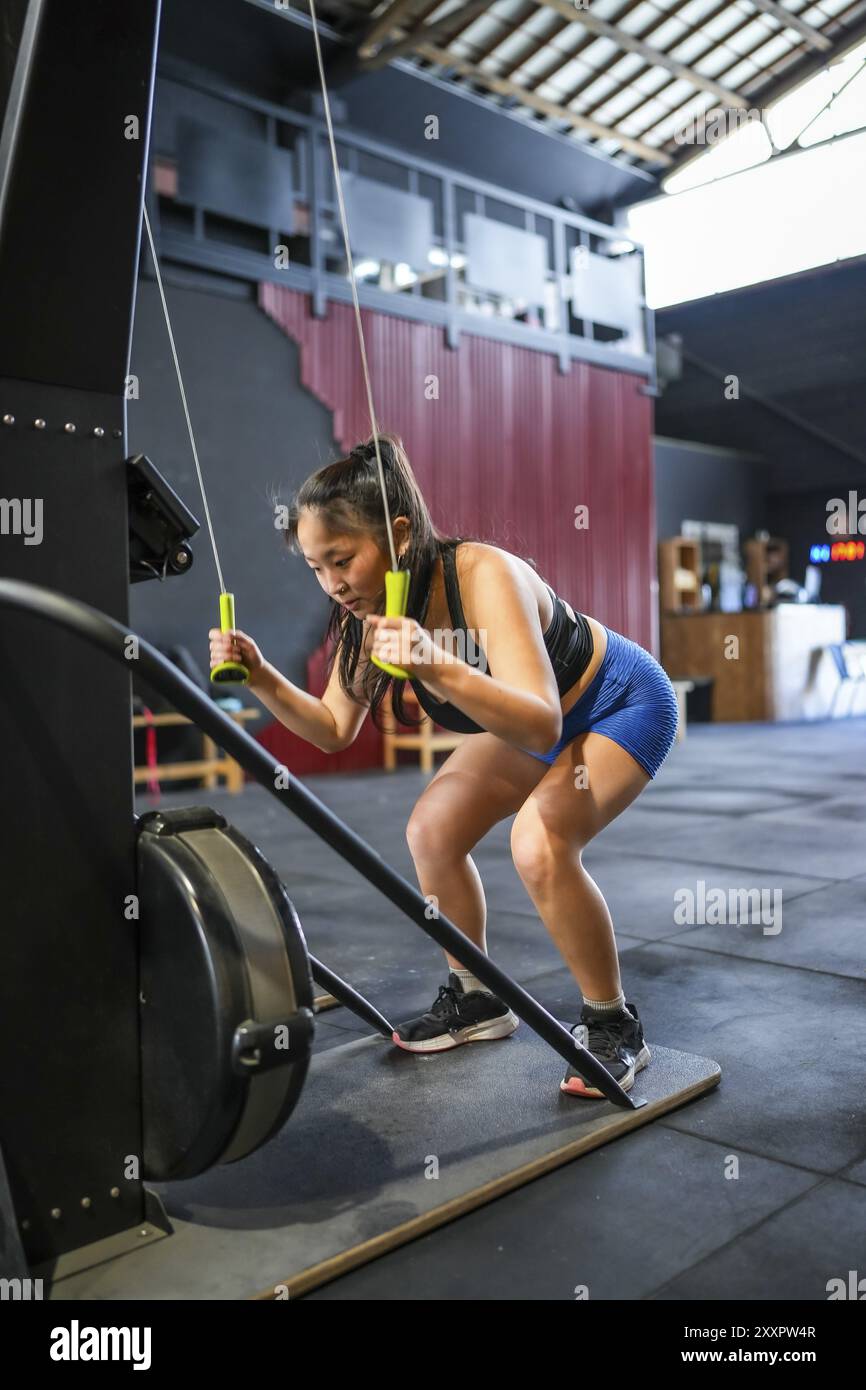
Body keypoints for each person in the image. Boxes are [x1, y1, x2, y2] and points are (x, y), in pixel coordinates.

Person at [209, 433, 679, 1097]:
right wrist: (259, 676)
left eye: (341, 559)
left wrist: (434, 661)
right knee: (432, 828)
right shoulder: (365, 617)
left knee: (539, 843)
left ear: (399, 535)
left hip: (617, 702)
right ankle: (478, 998)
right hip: (526, 724)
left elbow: (541, 717)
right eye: (316, 568)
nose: (332, 583)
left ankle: (613, 1023)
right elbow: (333, 729)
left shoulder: (483, 576)